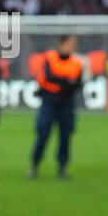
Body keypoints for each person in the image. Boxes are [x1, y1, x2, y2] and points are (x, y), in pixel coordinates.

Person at [29, 35, 83, 179]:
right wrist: (66, 81)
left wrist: (62, 82)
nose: (72, 47)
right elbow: (49, 76)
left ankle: (62, 168)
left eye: (74, 45)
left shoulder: (77, 63)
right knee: (43, 134)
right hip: (49, 101)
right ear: (61, 44)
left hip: (67, 103)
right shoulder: (50, 58)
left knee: (65, 136)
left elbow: (77, 84)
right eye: (70, 44)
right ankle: (34, 165)